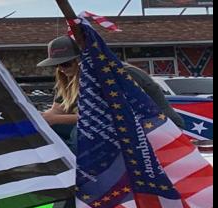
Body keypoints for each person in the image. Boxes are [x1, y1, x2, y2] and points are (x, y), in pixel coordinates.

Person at [38, 35, 182, 150]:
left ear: (83, 59)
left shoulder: (118, 74)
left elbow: (110, 116)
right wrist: (36, 119)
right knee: (48, 128)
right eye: (56, 65)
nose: (61, 69)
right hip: (121, 130)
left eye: (65, 63)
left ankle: (81, 171)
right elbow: (55, 113)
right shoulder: (69, 79)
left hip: (159, 127)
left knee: (81, 133)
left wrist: (55, 119)